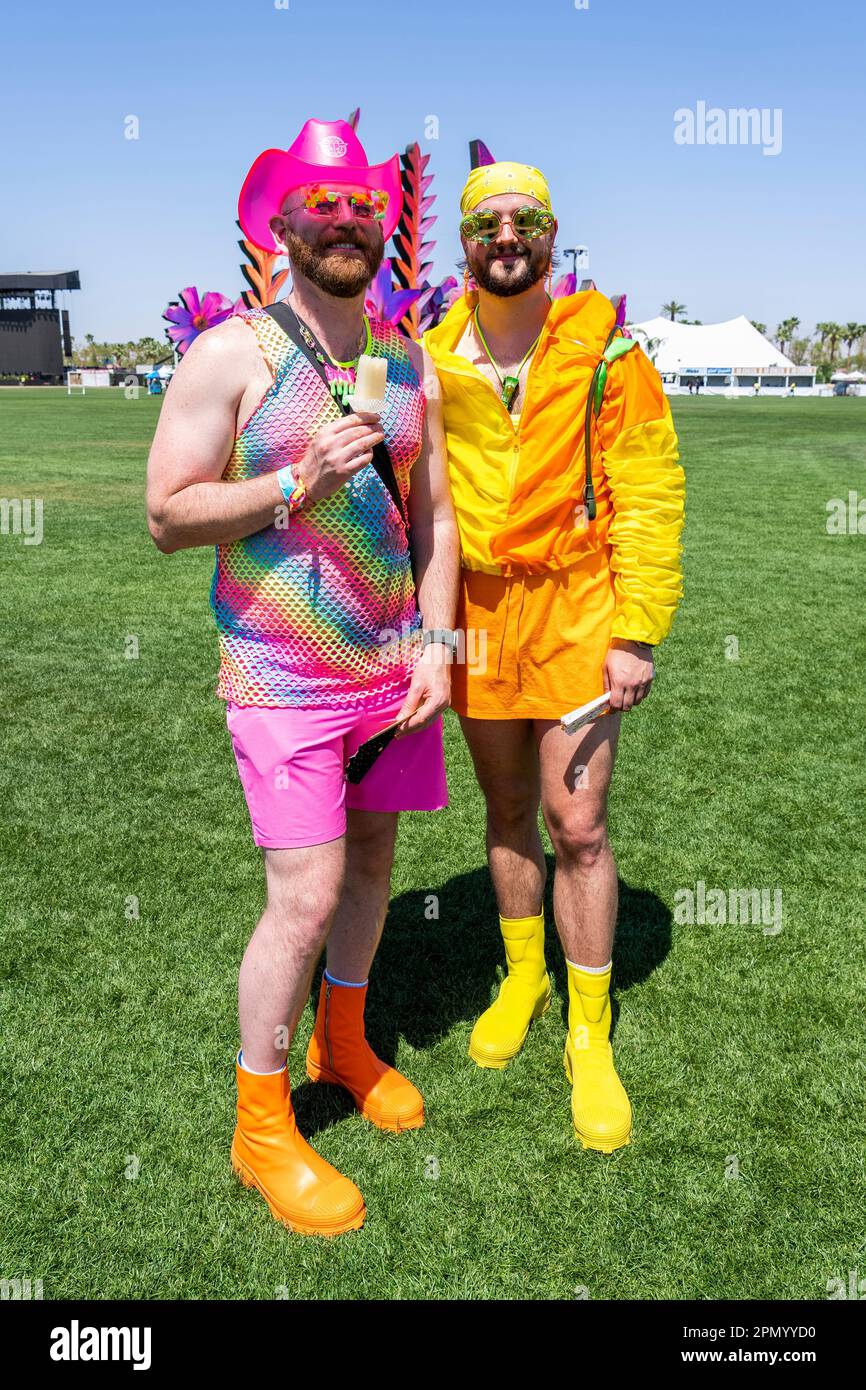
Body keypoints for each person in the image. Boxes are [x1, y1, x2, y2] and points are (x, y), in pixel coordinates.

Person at [146, 117, 459, 1235]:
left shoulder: (409, 361)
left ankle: (344, 1041)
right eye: (320, 205)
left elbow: (434, 516)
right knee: (304, 897)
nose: (345, 220)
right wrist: (289, 484)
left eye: (362, 205)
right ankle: (262, 1122)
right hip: (283, 678)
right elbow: (167, 514)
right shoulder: (232, 353)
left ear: (386, 228)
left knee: (372, 867)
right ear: (277, 222)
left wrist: (437, 641)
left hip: (394, 674)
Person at [424, 161, 685, 1153]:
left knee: (573, 821)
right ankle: (522, 974)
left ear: (549, 233)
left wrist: (634, 629)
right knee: (500, 807)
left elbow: (651, 494)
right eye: (484, 222)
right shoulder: (429, 355)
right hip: (477, 614)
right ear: (462, 242)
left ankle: (588, 1029)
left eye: (522, 220)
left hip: (576, 608)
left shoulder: (609, 351)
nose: (504, 236)